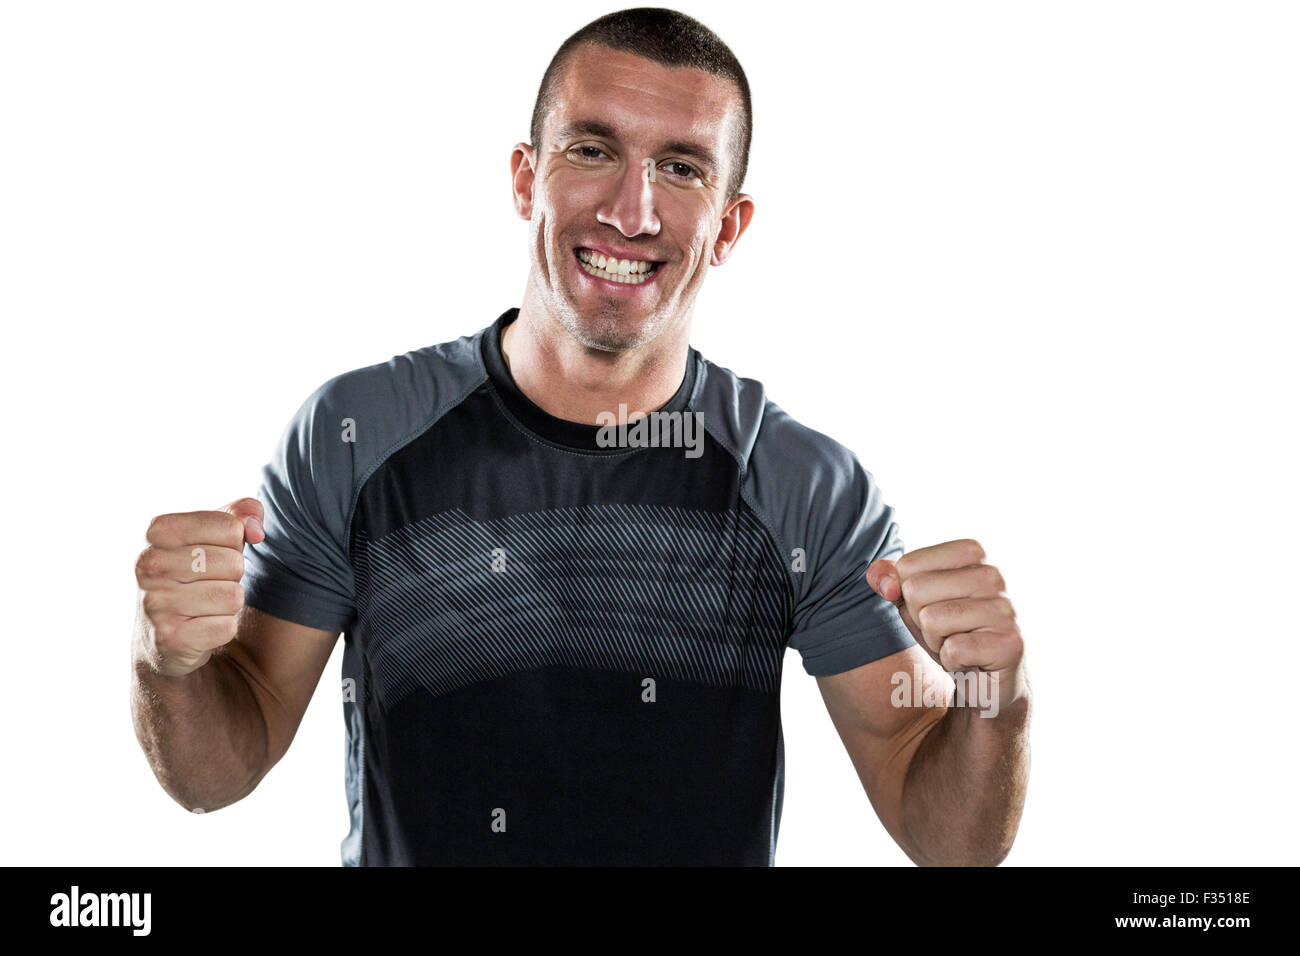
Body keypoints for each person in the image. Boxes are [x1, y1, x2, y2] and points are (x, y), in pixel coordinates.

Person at [131, 7, 1030, 866]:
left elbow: (947, 838)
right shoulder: (356, 436)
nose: (631, 212)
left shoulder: (801, 484)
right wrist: (167, 663)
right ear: (526, 177)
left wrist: (998, 704)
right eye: (593, 150)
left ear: (729, 225)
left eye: (682, 169)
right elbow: (217, 775)